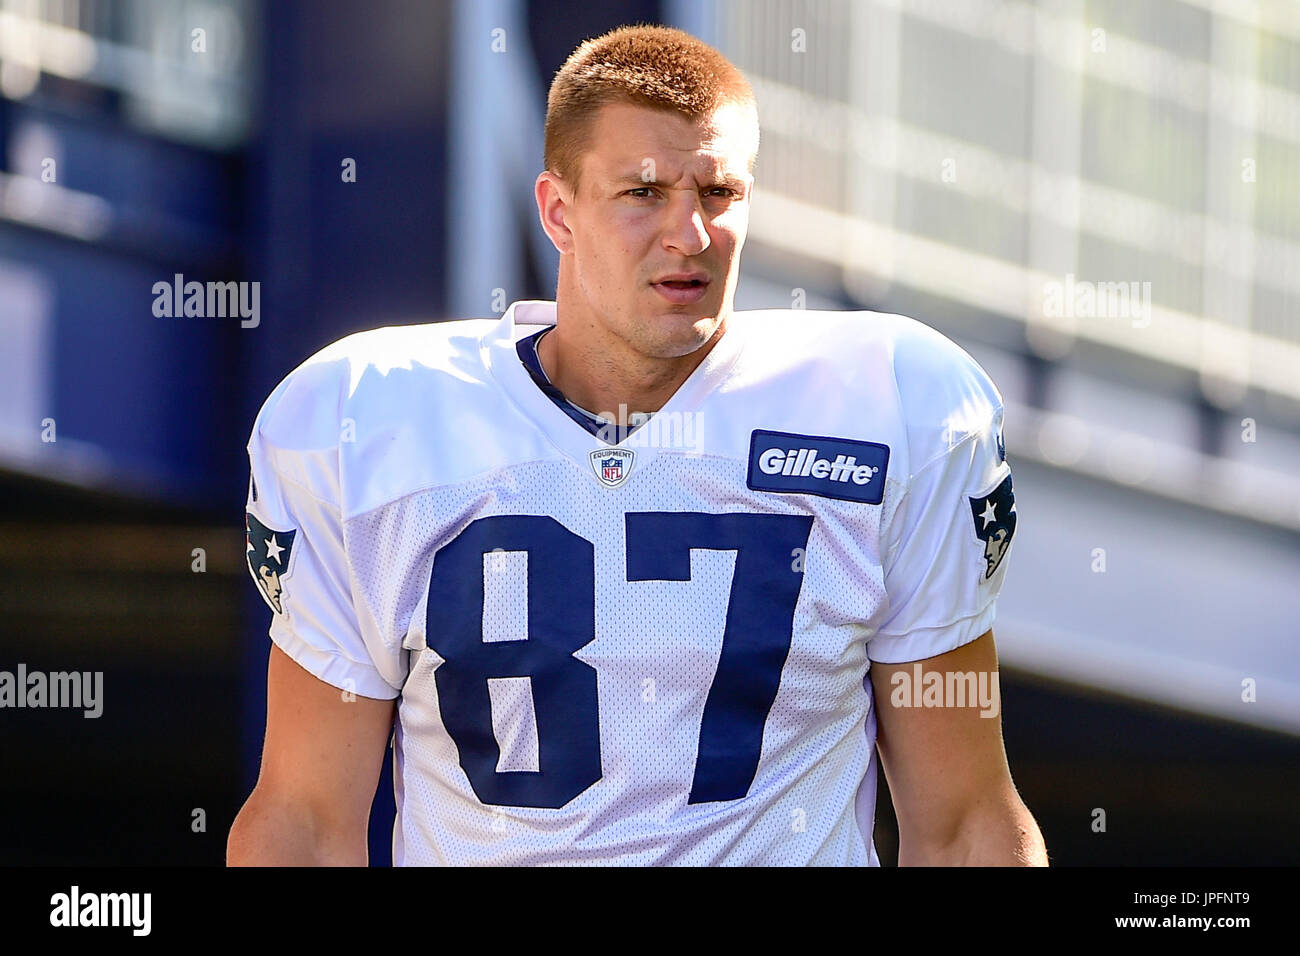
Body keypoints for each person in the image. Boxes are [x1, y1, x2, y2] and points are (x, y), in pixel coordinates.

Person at [227, 23, 1047, 866]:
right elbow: (305, 820)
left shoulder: (892, 407)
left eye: (719, 193)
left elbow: (963, 822)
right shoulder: (363, 422)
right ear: (558, 210)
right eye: (644, 193)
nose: (689, 234)